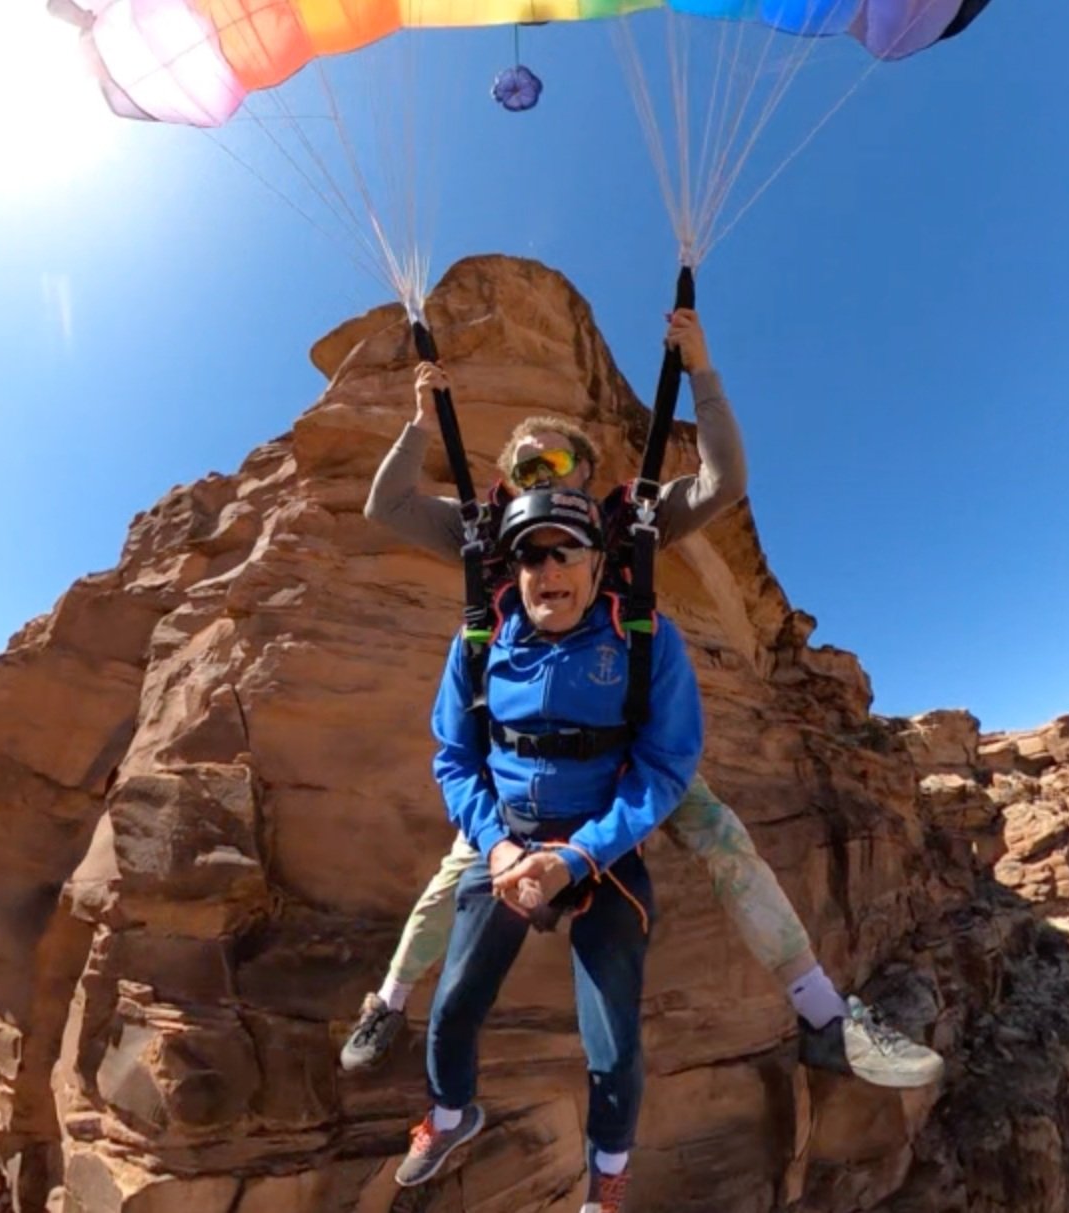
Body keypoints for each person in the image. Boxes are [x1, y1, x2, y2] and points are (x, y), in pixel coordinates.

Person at [353, 309, 943, 1089]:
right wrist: (419, 426)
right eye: (523, 468)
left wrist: (701, 370)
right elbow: (385, 507)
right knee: (459, 865)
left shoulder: (629, 524)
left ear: (585, 470)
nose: (538, 479)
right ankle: (390, 1003)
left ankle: (826, 1016)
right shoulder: (487, 531)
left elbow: (724, 483)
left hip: (621, 744)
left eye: (553, 461)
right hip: (522, 754)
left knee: (723, 838)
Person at [395, 488, 700, 1210]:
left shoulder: (643, 638)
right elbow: (454, 756)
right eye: (533, 552)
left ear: (599, 564)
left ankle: (605, 1178)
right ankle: (448, 1116)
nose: (548, 567)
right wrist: (497, 848)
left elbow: (665, 765)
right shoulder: (481, 639)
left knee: (612, 1040)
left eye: (567, 550)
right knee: (451, 1007)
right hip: (507, 842)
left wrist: (576, 857)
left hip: (601, 848)